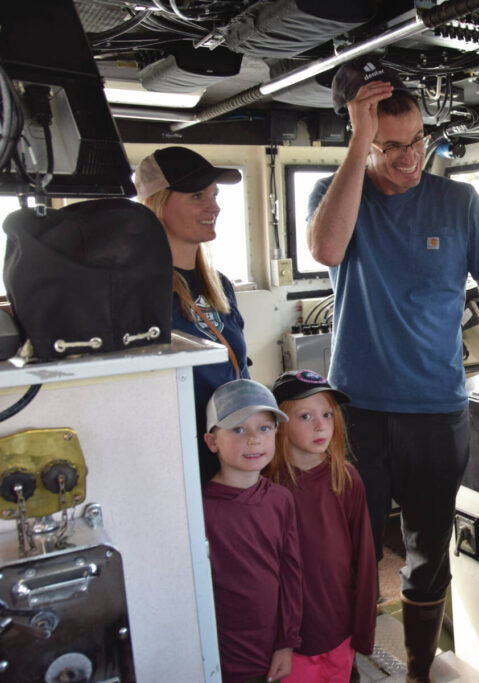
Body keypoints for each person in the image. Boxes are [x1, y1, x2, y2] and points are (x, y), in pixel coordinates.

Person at [306, 59, 479, 681]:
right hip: (358, 413)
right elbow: (326, 248)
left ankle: (417, 672)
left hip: (437, 412)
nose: (410, 157)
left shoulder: (460, 202)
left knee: (429, 554)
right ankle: (346, 668)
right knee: (352, 555)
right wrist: (359, 143)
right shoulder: (337, 195)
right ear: (364, 141)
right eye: (391, 146)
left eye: (417, 139)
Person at [136, 146, 248, 481]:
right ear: (155, 204)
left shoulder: (219, 286)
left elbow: (239, 372)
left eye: (214, 195)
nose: (214, 206)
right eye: (197, 196)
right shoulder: (139, 290)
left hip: (231, 462)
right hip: (178, 463)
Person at [266, 369, 376, 683]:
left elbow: (365, 561)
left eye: (327, 414)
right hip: (290, 644)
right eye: (305, 416)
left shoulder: (347, 479)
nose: (321, 425)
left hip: (340, 631)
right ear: (279, 423)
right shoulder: (267, 489)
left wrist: (363, 630)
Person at [202, 379, 302, 683]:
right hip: (222, 657)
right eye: (238, 429)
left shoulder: (281, 499)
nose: (254, 440)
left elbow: (291, 573)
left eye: (264, 428)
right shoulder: (199, 510)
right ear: (212, 441)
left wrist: (286, 642)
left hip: (270, 651)